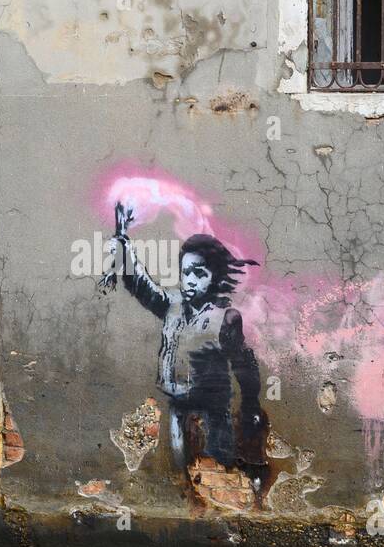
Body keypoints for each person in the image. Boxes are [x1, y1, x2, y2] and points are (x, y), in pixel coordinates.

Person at [100, 202, 270, 489]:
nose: (191, 280)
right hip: (179, 408)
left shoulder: (224, 318)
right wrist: (121, 239)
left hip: (213, 415)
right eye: (187, 271)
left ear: (214, 276)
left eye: (200, 273)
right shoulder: (172, 306)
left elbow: (245, 365)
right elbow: (140, 285)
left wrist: (251, 403)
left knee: (214, 475)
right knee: (182, 475)